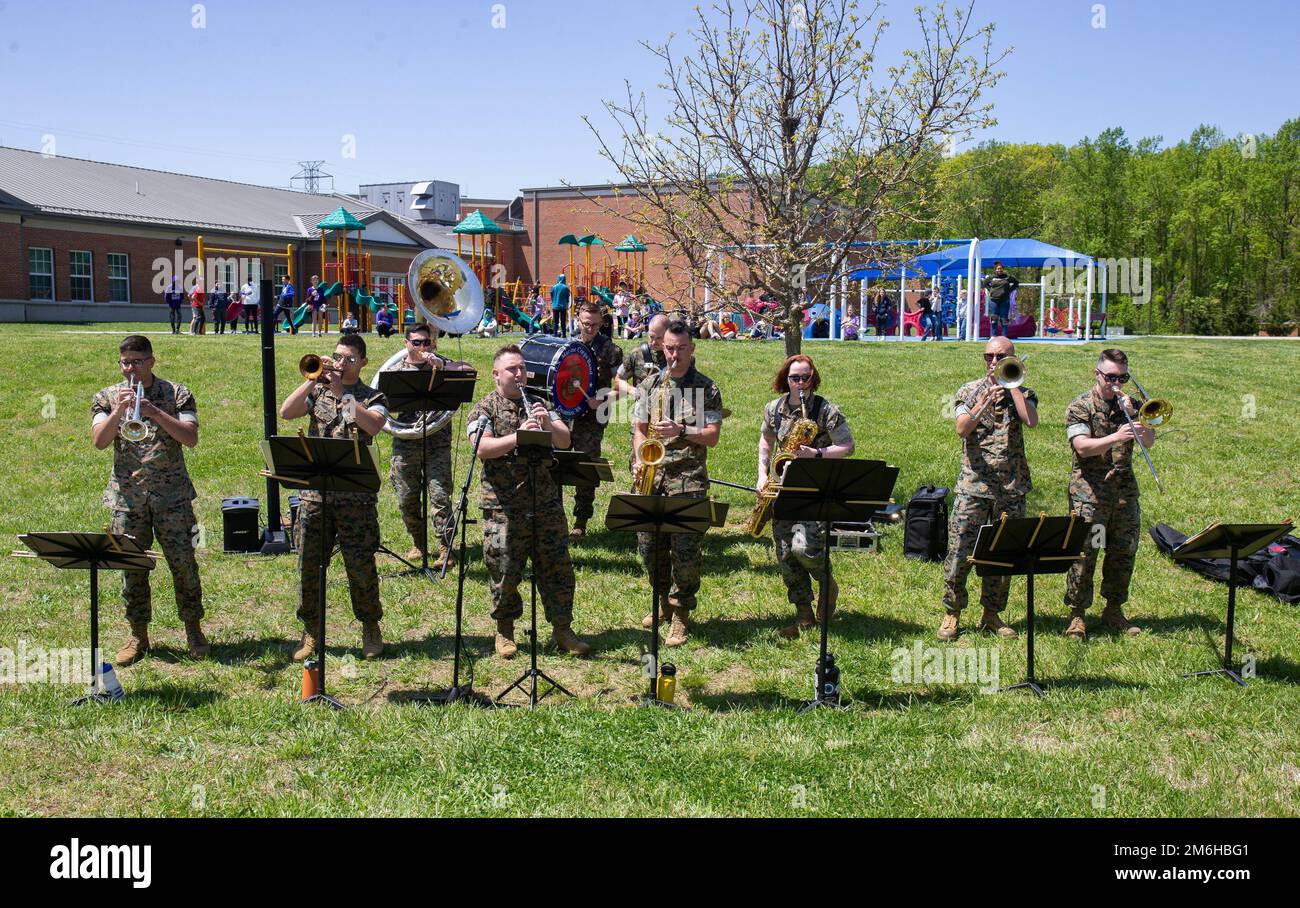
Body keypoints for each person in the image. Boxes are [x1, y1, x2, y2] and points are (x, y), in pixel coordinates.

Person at [468, 344, 591, 658]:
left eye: (522, 368)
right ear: (496, 374)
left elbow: (565, 440)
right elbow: (481, 448)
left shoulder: (538, 402)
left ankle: (562, 628)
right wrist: (518, 437)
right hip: (503, 505)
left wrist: (547, 423)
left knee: (558, 566)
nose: (520, 373)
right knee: (505, 568)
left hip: (545, 500)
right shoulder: (485, 408)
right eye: (512, 369)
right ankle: (505, 629)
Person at [91, 335, 207, 663]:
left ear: (151, 361)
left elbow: (191, 437)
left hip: (172, 498)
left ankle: (193, 629)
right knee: (131, 569)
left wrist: (155, 412)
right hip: (127, 499)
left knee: (183, 564)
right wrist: (119, 411)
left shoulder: (178, 394)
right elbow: (99, 441)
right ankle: (137, 635)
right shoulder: (106, 397)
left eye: (137, 362)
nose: (131, 369)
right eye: (125, 363)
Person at [279, 335, 389, 659]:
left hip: (356, 499)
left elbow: (375, 425)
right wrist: (312, 382)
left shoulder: (373, 395)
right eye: (337, 357)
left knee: (361, 567)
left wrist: (344, 395)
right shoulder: (318, 391)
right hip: (316, 496)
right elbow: (286, 412)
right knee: (309, 566)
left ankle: (370, 626)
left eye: (349, 359)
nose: (340, 363)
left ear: (363, 362)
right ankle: (311, 631)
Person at [938, 336, 1039, 641]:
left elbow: (1031, 421)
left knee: (1003, 554)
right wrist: (983, 401)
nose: (994, 362)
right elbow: (961, 428)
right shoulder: (968, 391)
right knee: (959, 552)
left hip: (1011, 487)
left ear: (1013, 359)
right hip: (974, 485)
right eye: (989, 357)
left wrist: (1014, 387)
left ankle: (991, 614)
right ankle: (952, 613)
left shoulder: (1024, 391)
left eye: (1001, 357)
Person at [632, 322, 723, 647]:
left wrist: (681, 431)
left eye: (680, 348)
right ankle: (661, 604)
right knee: (649, 549)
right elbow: (639, 428)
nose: (673, 354)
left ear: (692, 348)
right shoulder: (650, 384)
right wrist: (641, 456)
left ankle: (681, 614)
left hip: (687, 480)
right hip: (652, 478)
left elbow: (712, 437)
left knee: (685, 552)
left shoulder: (706, 388)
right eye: (669, 348)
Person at [758, 355, 855, 638]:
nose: (800, 383)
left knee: (806, 549)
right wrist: (763, 475)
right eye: (794, 378)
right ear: (785, 379)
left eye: (805, 378)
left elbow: (847, 446)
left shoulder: (826, 410)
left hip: (816, 490)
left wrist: (817, 453)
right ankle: (803, 615)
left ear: (813, 379)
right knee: (786, 554)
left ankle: (826, 582)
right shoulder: (773, 409)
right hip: (782, 488)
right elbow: (765, 440)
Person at [1061, 348, 1149, 639]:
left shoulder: (1131, 405)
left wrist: (1136, 416)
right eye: (1111, 377)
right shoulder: (1080, 405)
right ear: (1097, 374)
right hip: (1091, 494)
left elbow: (1148, 441)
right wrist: (1115, 437)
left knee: (1123, 553)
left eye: (1122, 377)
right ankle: (1077, 614)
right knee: (1084, 554)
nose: (1117, 383)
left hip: (1124, 493)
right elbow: (1082, 447)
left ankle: (1113, 609)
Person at [383, 322, 474, 571]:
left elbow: (470, 371)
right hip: (406, 441)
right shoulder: (395, 370)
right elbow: (383, 406)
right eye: (416, 342)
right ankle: (419, 543)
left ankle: (446, 547)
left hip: (437, 442)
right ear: (406, 344)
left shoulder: (442, 365)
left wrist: (442, 366)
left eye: (427, 342)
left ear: (433, 343)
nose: (422, 347)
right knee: (406, 497)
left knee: (440, 496)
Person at [567, 302, 627, 542]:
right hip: (565, 412)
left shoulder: (612, 350)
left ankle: (580, 521)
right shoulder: (569, 344)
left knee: (586, 467)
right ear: (578, 320)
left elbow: (621, 386)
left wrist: (602, 398)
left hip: (592, 417)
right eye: (584, 323)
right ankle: (552, 518)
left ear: (601, 323)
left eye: (593, 324)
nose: (589, 328)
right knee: (554, 464)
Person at [982, 261, 1019, 338]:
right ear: (995, 269)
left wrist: (1009, 290)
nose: (999, 270)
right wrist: (990, 290)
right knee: (994, 318)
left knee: (1004, 318)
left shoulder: (1007, 277)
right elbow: (984, 284)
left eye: (1001, 268)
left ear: (1003, 269)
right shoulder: (991, 277)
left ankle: (1004, 336)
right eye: (998, 269)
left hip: (1005, 300)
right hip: (994, 301)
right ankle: (993, 335)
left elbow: (1016, 283)